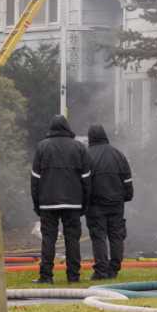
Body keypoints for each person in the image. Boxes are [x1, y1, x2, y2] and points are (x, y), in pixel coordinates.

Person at [31, 115, 91, 285]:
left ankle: (46, 276)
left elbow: (35, 179)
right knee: (72, 239)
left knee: (48, 239)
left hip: (47, 202)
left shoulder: (42, 147)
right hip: (73, 202)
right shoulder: (79, 148)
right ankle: (73, 276)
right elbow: (86, 179)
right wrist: (84, 205)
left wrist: (37, 204)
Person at [84, 124, 133, 281]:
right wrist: (127, 196)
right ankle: (114, 268)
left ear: (90, 137)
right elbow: (127, 179)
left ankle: (101, 271)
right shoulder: (118, 154)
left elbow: (83, 182)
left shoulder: (87, 155)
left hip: (95, 205)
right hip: (117, 204)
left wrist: (84, 202)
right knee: (116, 236)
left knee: (99, 237)